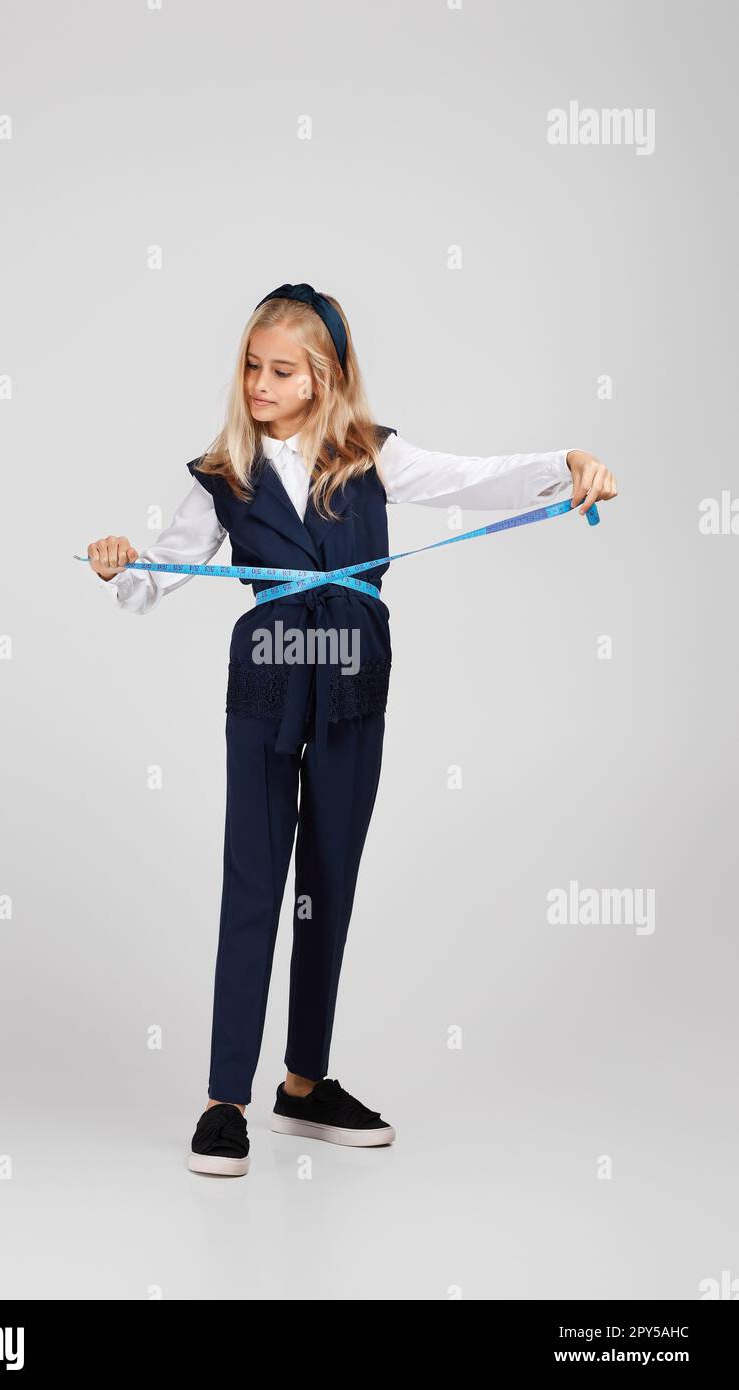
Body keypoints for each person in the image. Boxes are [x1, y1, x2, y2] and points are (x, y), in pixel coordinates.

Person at [86, 283, 618, 1177]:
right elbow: (157, 574)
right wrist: (119, 563)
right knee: (254, 882)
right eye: (252, 366)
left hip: (353, 686)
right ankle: (225, 1100)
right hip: (263, 689)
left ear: (322, 378)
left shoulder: (374, 455)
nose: (259, 382)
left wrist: (566, 462)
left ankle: (305, 1084)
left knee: (327, 880)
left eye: (280, 370)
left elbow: (472, 476)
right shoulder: (223, 475)